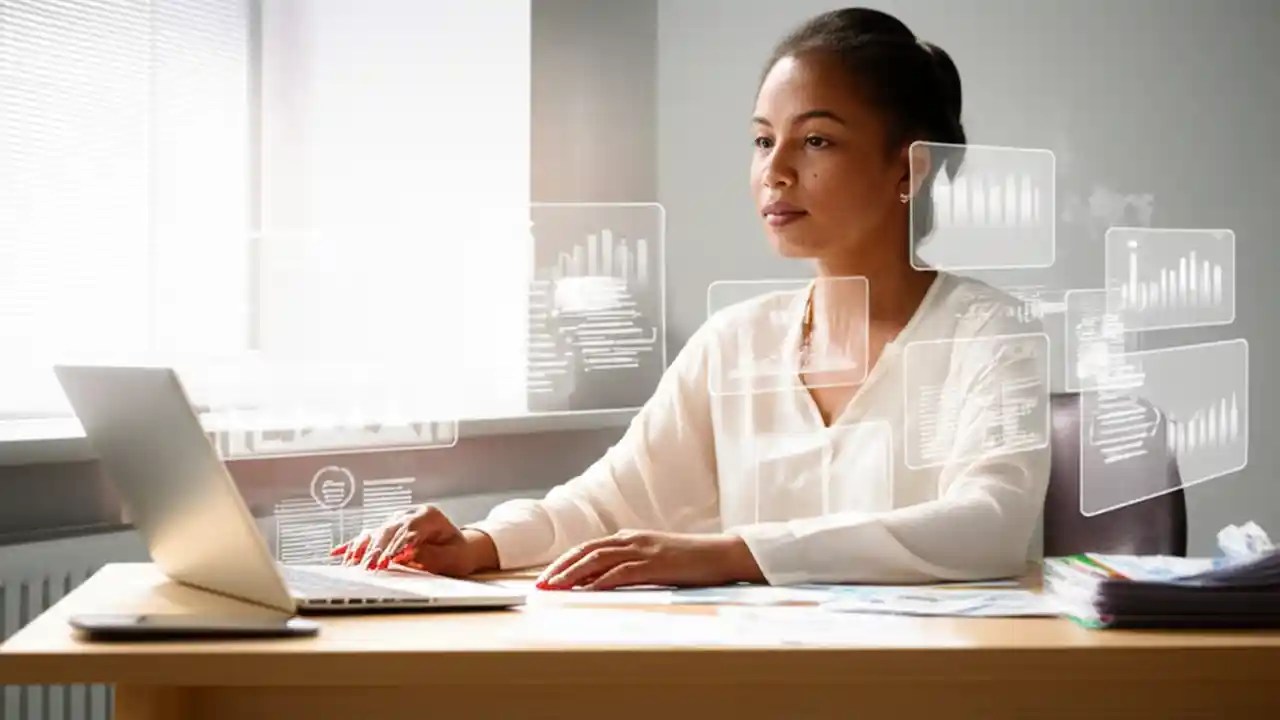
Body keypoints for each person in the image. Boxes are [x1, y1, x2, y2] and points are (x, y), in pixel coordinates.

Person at [331, 7, 1050, 590]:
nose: (776, 172)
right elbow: (608, 502)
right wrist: (481, 543)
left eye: (818, 141)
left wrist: (731, 553)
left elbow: (988, 525)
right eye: (763, 141)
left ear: (911, 166)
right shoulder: (735, 342)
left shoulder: (989, 335)